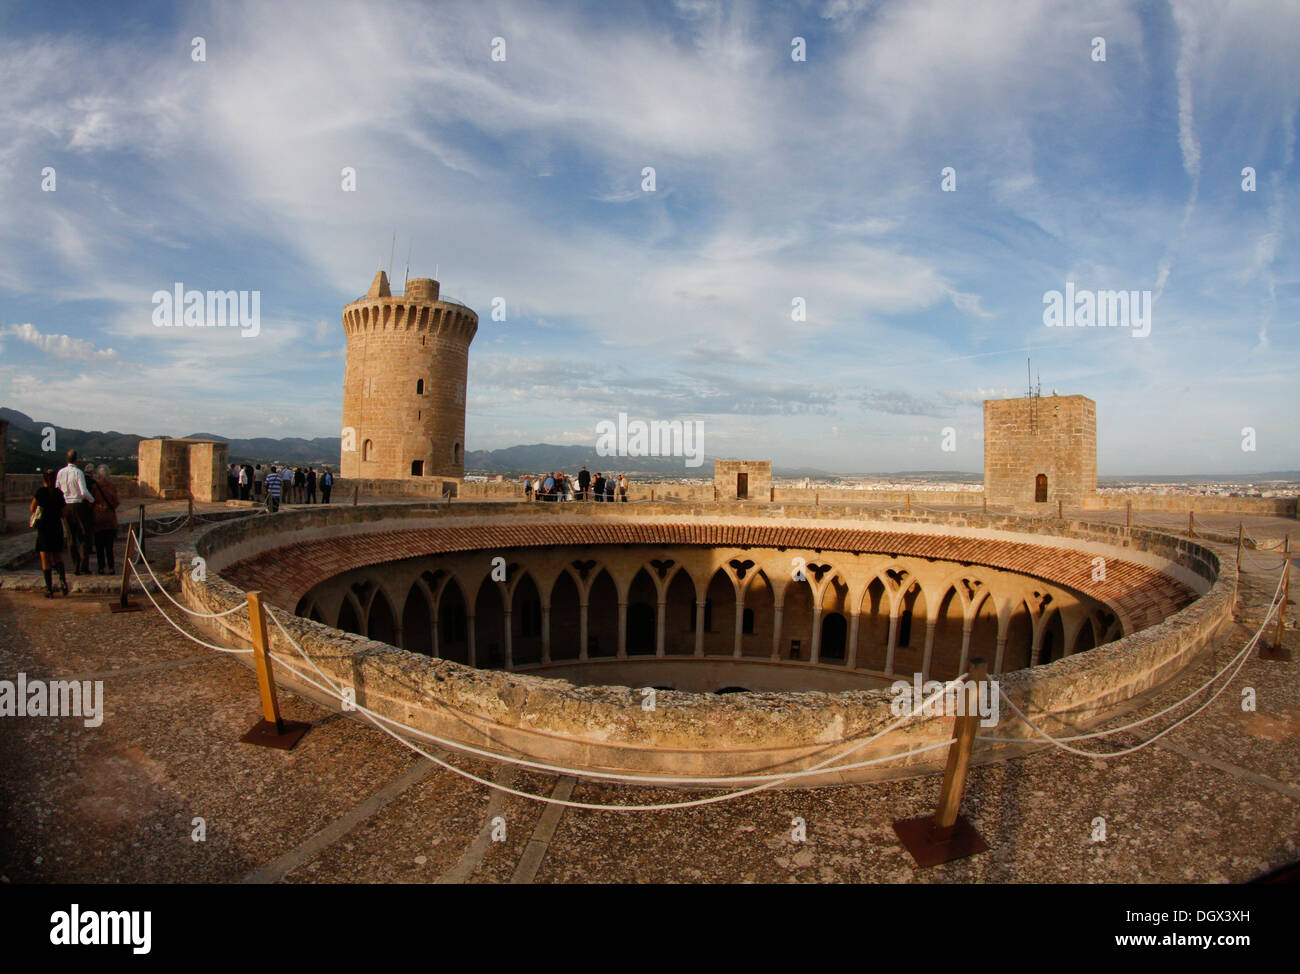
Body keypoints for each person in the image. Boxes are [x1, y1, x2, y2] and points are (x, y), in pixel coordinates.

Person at [31, 469, 69, 597]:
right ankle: (63, 582)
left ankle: (49, 589)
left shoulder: (40, 492)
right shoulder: (58, 493)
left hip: (44, 528)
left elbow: (32, 508)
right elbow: (64, 513)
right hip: (56, 527)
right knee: (57, 557)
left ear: (43, 479)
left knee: (45, 559)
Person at [56, 450, 94, 574]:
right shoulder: (78, 473)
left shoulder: (60, 473)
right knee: (83, 536)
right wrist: (92, 500)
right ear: (76, 460)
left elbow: (58, 490)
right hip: (79, 506)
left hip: (66, 506)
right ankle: (84, 565)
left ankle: (75, 566)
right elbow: (83, 491)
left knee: (71, 538)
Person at [89, 465, 120, 574]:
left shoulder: (95, 487)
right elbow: (116, 502)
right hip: (109, 520)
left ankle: (101, 567)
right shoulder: (111, 487)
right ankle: (111, 567)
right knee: (109, 546)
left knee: (99, 546)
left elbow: (91, 501)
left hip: (97, 519)